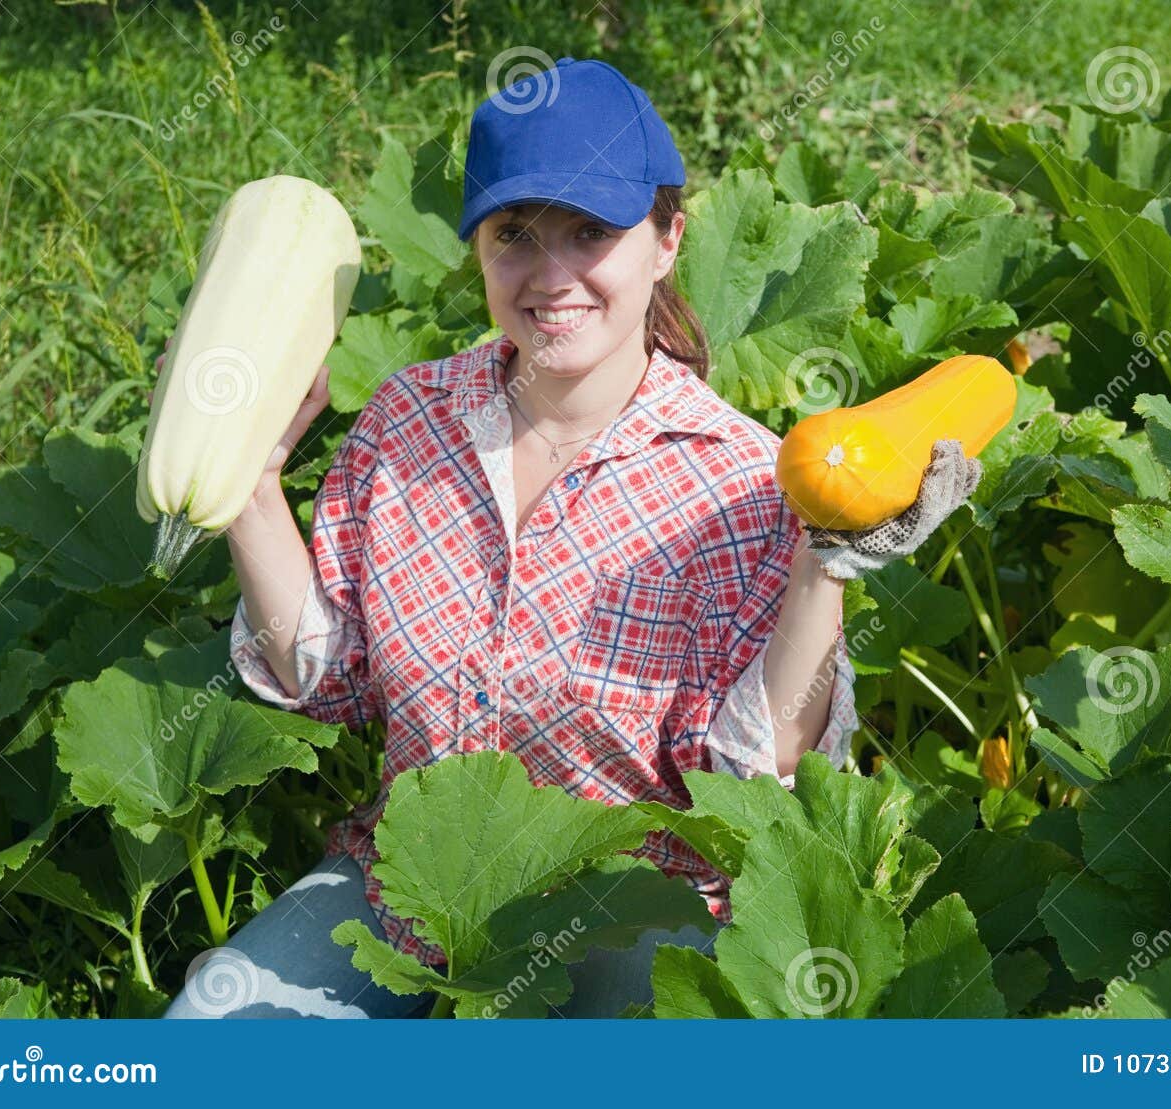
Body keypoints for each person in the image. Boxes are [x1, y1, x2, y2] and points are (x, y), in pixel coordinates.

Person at [162, 56, 978, 1019]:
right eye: (515, 235)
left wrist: (824, 567)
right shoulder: (405, 423)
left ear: (667, 239)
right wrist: (252, 488)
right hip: (416, 889)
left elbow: (756, 770)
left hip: (631, 906)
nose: (552, 278)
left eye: (591, 231)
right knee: (207, 1030)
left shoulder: (734, 476)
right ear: (478, 250)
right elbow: (327, 679)